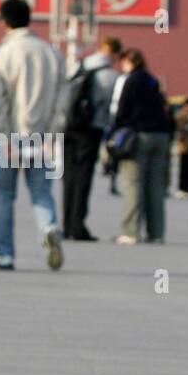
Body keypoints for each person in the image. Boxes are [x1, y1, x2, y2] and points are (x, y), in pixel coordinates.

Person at [0, 0, 65, 271]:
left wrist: (3, 137)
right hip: (43, 137)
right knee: (41, 193)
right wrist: (53, 134)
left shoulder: (1, 55)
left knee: (5, 196)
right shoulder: (53, 54)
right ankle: (48, 227)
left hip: (11, 137)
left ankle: (4, 254)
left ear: (4, 22)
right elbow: (63, 101)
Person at [109, 48, 174, 244]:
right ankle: (157, 233)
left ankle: (131, 232)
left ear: (129, 61)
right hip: (160, 136)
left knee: (133, 184)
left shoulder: (131, 81)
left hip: (139, 137)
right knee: (155, 187)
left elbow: (122, 111)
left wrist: (115, 133)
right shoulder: (152, 80)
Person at [61, 36, 121, 240]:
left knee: (68, 175)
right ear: (114, 54)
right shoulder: (110, 75)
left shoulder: (79, 66)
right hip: (90, 129)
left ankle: (66, 223)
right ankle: (78, 225)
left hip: (69, 126)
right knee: (83, 176)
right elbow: (110, 107)